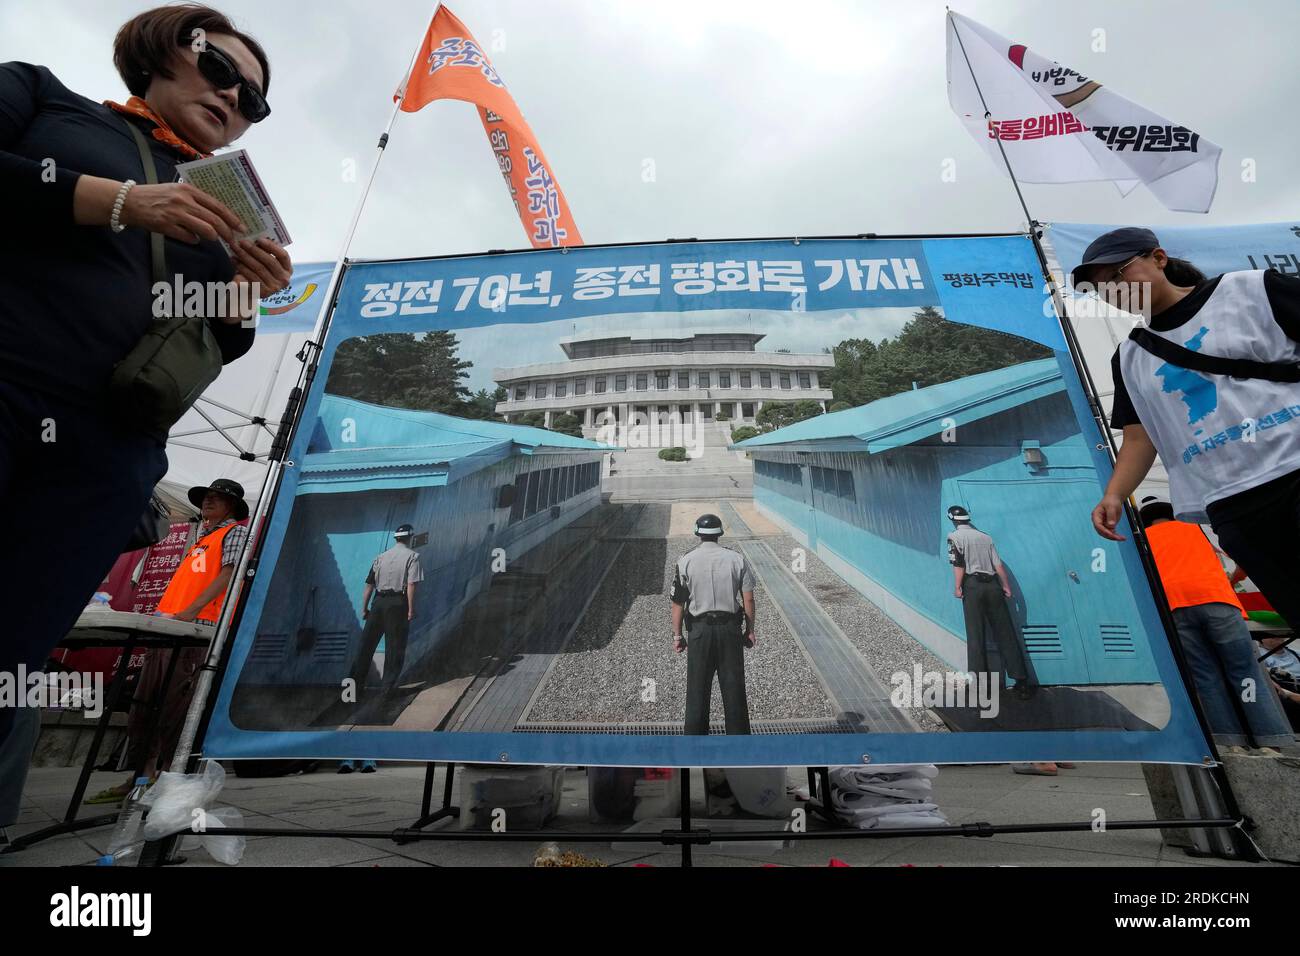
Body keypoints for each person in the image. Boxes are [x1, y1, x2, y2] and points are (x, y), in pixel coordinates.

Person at [0, 3, 289, 841]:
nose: (236, 99)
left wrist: (247, 289)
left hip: (104, 450)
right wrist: (121, 202)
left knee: (13, 656)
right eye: (222, 69)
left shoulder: (218, 203)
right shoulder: (47, 101)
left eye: (256, 102)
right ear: (162, 51)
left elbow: (212, 343)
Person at [1080, 227, 1300, 646]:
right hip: (1234, 507)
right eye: (1099, 286)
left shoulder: (1251, 290)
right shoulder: (1130, 358)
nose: (1111, 289)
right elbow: (1140, 438)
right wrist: (1113, 495)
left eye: (1119, 273)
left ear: (1158, 258)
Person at [86, 479, 251, 804]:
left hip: (195, 631)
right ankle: (141, 777)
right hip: (166, 629)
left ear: (231, 506)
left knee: (175, 706)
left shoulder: (234, 533)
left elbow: (229, 575)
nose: (209, 501)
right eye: (207, 497)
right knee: (144, 705)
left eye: (218, 498)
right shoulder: (200, 539)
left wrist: (190, 612)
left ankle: (167, 778)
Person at [1135, 496, 1293, 750]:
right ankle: (1270, 740)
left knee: (1205, 676)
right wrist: (1229, 582)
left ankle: (1229, 742)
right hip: (1218, 601)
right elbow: (1244, 556)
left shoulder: (1142, 541)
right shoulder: (1197, 528)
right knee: (1244, 671)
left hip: (1174, 607)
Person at [670, 513, 756, 735]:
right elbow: (748, 599)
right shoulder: (738, 560)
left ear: (698, 533)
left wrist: (678, 636)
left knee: (697, 689)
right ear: (719, 534)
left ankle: (695, 745)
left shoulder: (685, 561)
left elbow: (678, 603)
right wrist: (750, 630)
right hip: (730, 630)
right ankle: (739, 747)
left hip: (699, 631)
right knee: (734, 688)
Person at [945, 505, 1033, 700]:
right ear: (968, 519)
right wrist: (1006, 586)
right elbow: (998, 565)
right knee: (1006, 632)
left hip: (973, 586)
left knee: (976, 635)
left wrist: (958, 587)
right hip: (993, 586)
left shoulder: (954, 538)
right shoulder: (985, 537)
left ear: (952, 519)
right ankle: (1021, 682)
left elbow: (958, 564)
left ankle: (979, 685)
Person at [352, 524, 424, 696]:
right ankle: (386, 689)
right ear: (410, 538)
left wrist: (364, 608)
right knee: (395, 647)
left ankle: (354, 687)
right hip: (398, 603)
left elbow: (369, 584)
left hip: (378, 603)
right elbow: (412, 584)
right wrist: (411, 610)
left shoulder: (381, 557)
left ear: (395, 538)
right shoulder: (413, 557)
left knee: (366, 646)